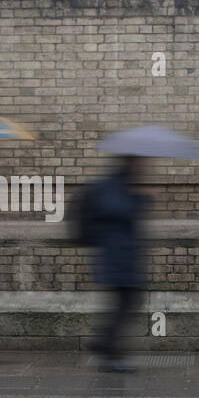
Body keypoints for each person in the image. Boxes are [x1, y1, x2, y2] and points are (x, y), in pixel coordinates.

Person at [84, 156, 149, 373]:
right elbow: (118, 210)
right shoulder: (113, 185)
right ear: (129, 163)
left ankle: (105, 345)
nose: (143, 166)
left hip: (121, 256)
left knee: (124, 304)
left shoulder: (121, 184)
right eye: (139, 162)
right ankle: (106, 347)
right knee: (127, 303)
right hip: (117, 257)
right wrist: (141, 201)